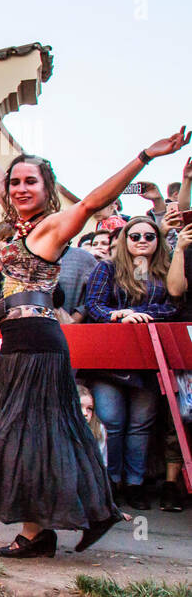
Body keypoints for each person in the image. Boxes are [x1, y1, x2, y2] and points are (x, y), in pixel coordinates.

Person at [0, 125, 190, 557]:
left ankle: (39, 532)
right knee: (40, 431)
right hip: (16, 344)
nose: (18, 188)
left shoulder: (51, 226)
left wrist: (145, 155)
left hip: (37, 345)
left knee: (28, 435)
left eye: (30, 181)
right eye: (16, 182)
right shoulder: (17, 222)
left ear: (47, 188)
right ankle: (74, 519)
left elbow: (90, 202)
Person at [82, 215, 178, 510]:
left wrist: (140, 312)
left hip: (149, 360)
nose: (141, 241)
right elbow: (93, 305)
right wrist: (119, 314)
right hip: (109, 360)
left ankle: (135, 484)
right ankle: (109, 483)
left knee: (140, 425)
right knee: (111, 421)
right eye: (134, 236)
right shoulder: (107, 267)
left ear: (157, 241)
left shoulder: (165, 269)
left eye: (149, 236)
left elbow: (174, 305)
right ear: (124, 240)